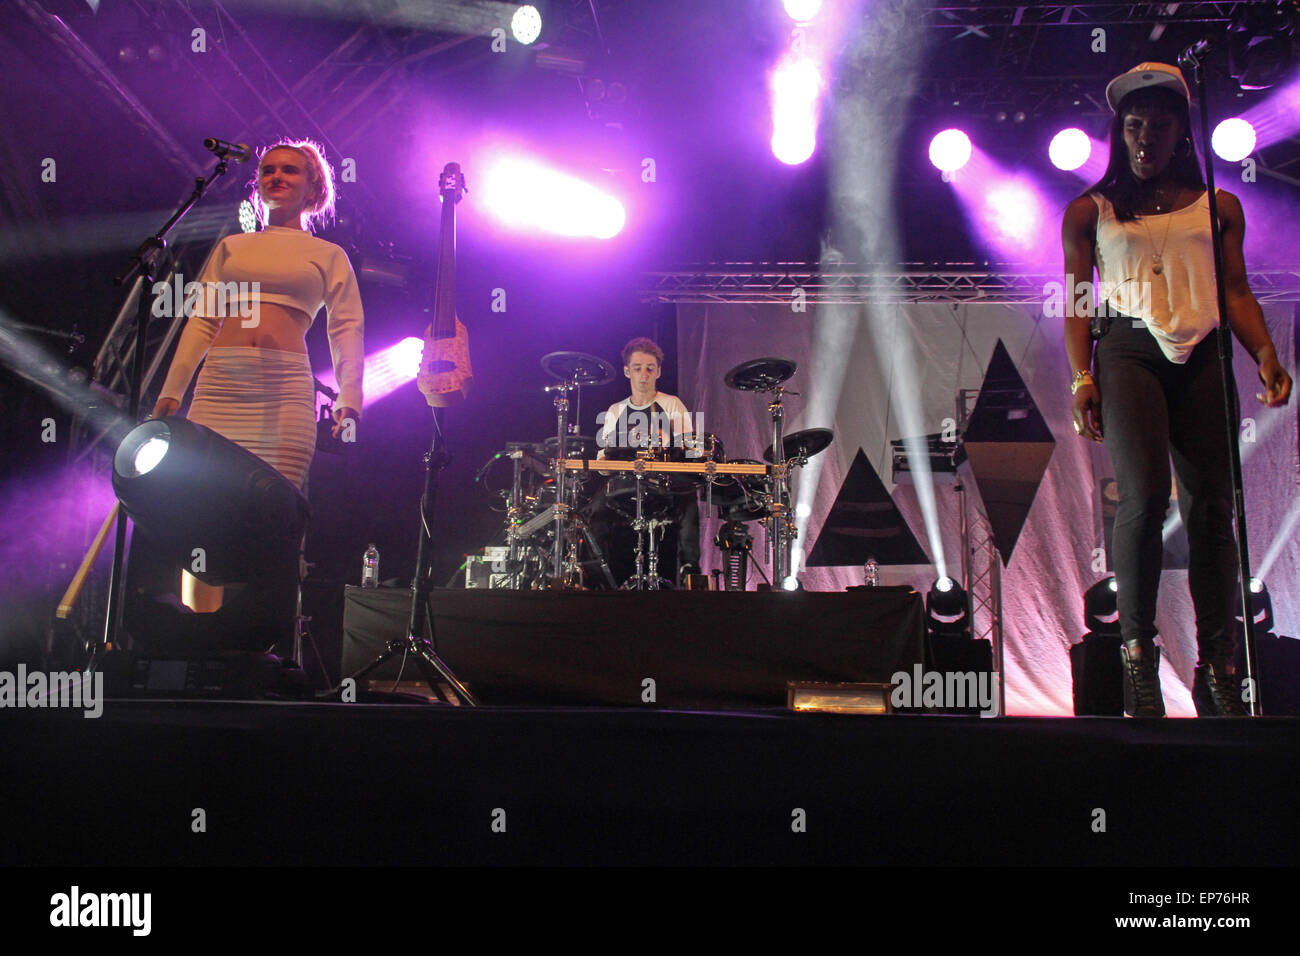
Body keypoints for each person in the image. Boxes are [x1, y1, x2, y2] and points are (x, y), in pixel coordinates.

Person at [1062, 63, 1292, 716]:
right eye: (1133, 127)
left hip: (1206, 353)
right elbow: (1080, 301)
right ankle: (1137, 654)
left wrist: (1266, 352)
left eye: (1158, 127)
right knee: (1141, 496)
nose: (1144, 139)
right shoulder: (1091, 209)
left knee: (1212, 506)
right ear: (1119, 133)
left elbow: (1237, 291)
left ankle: (1218, 662)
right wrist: (1083, 378)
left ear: (1179, 134)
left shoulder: (1218, 205)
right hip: (1128, 349)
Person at [151, 139, 364, 615]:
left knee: (270, 512)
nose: (276, 177)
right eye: (268, 170)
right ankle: (201, 637)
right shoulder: (233, 247)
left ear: (313, 187)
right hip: (219, 388)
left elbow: (346, 327)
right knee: (204, 514)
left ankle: (254, 641)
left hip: (283, 392)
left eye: (290, 170)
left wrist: (351, 396)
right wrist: (172, 391)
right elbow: (202, 320)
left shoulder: (328, 255)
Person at [590, 337, 700, 584]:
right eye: (637, 368)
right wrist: (612, 458)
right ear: (627, 371)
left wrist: (669, 442)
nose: (644, 374)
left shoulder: (672, 404)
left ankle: (690, 569)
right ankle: (598, 579)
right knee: (594, 511)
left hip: (665, 480)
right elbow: (603, 465)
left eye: (650, 368)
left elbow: (690, 450)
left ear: (658, 372)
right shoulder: (615, 411)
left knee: (690, 497)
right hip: (626, 481)